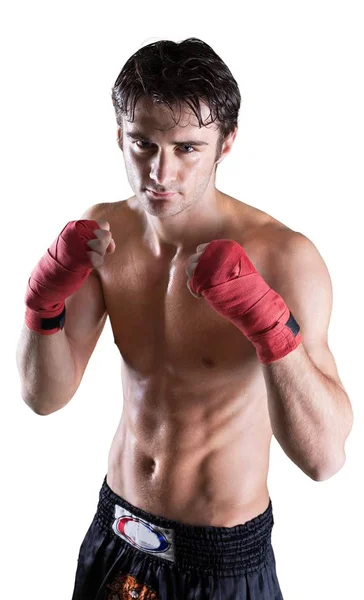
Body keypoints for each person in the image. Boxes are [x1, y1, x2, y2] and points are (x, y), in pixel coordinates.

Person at [16, 37, 353, 600]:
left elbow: (325, 459)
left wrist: (271, 324)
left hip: (218, 561)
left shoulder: (284, 257)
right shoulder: (103, 234)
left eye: (187, 148)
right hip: (115, 534)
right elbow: (42, 397)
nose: (159, 172)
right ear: (118, 136)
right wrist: (42, 304)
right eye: (141, 144)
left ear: (227, 143)